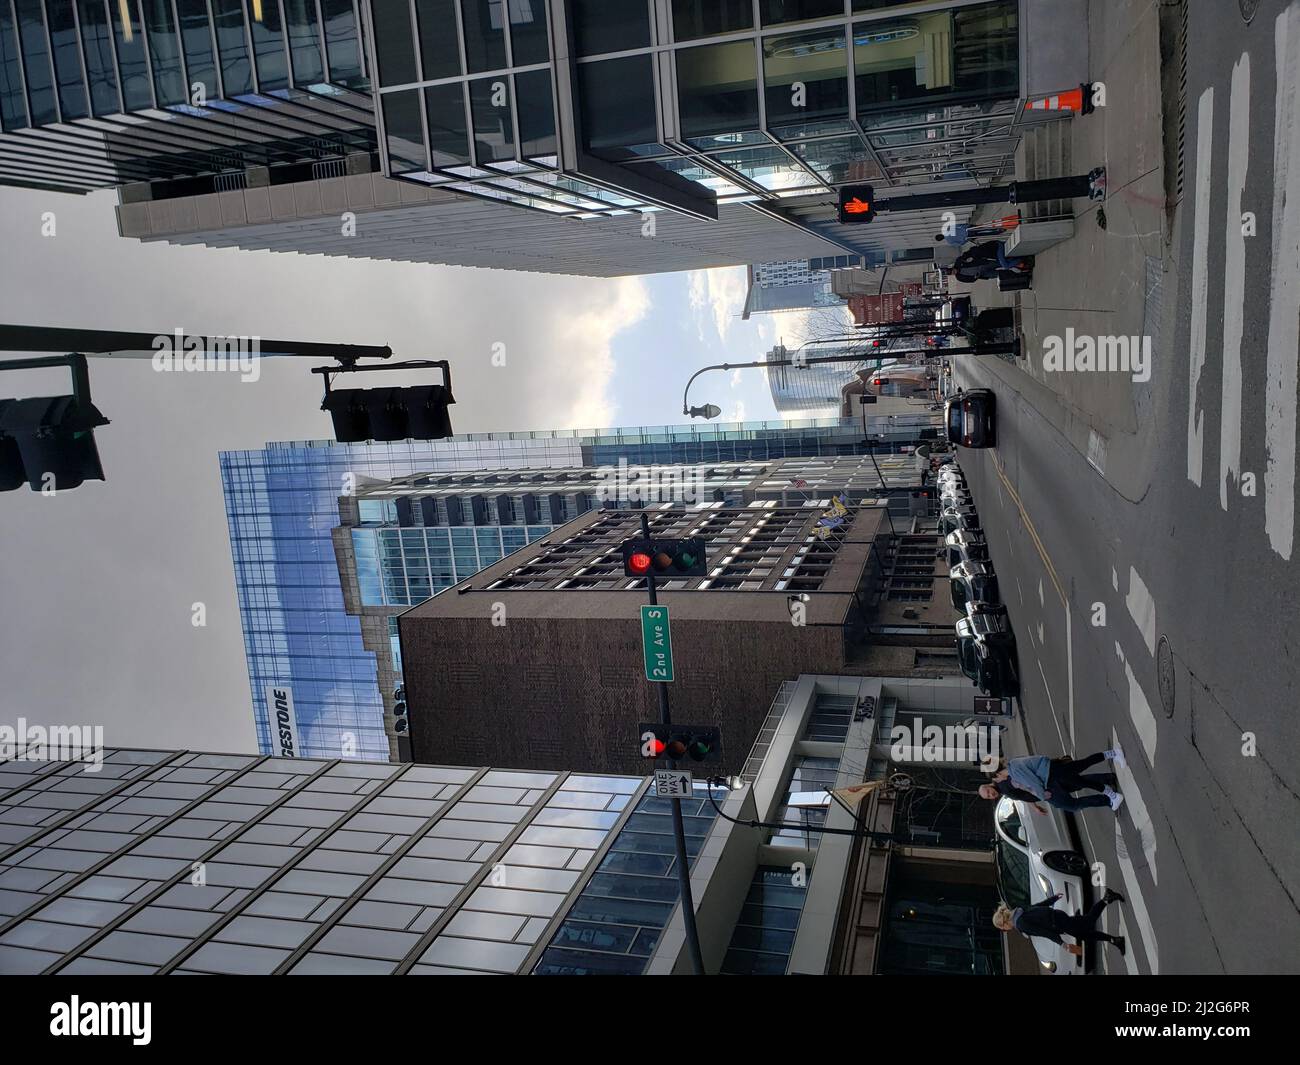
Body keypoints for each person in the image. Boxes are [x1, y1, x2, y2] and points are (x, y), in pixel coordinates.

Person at [977, 748, 1126, 812]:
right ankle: (1112, 795)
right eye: (988, 796)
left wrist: (1042, 795)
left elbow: (1033, 782)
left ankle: (1111, 796)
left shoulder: (1014, 771)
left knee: (1082, 776)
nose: (991, 795)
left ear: (996, 775)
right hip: (1051, 774)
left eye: (989, 792)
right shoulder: (1012, 767)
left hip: (1052, 775)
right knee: (1082, 776)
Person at [993, 890, 1127, 957]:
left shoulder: (1020, 924)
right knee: (1085, 934)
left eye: (1003, 929)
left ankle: (1106, 898)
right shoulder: (1019, 910)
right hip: (1057, 916)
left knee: (1089, 921)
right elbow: (1038, 906)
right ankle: (1115, 940)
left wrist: (1061, 944)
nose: (1006, 930)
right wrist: (1053, 899)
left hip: (1058, 923)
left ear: (1004, 924)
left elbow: (1043, 932)